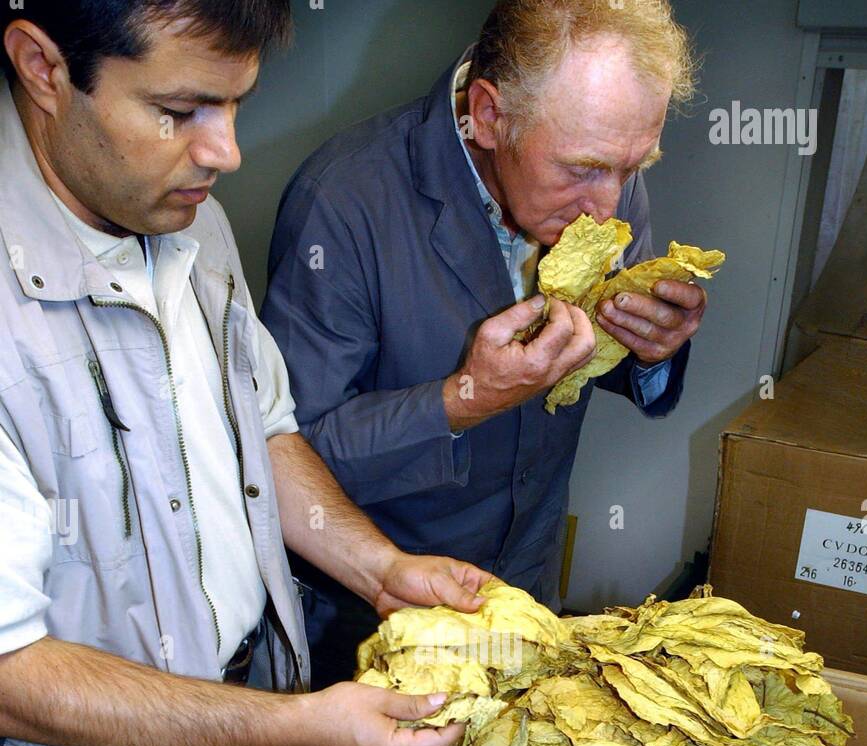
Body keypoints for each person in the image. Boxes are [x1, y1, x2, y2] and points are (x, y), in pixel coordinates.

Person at [0, 0, 490, 746]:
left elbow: (261, 429)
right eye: (181, 109)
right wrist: (305, 721)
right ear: (42, 65)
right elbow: (12, 670)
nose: (225, 152)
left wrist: (383, 567)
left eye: (236, 105)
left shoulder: (190, 219)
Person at [262, 0, 707, 690]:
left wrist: (651, 351)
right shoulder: (343, 202)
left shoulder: (606, 173)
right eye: (584, 168)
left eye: (634, 167)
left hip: (525, 588)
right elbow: (293, 454)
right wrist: (462, 400)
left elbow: (599, 357)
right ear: (491, 116)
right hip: (371, 617)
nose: (611, 207)